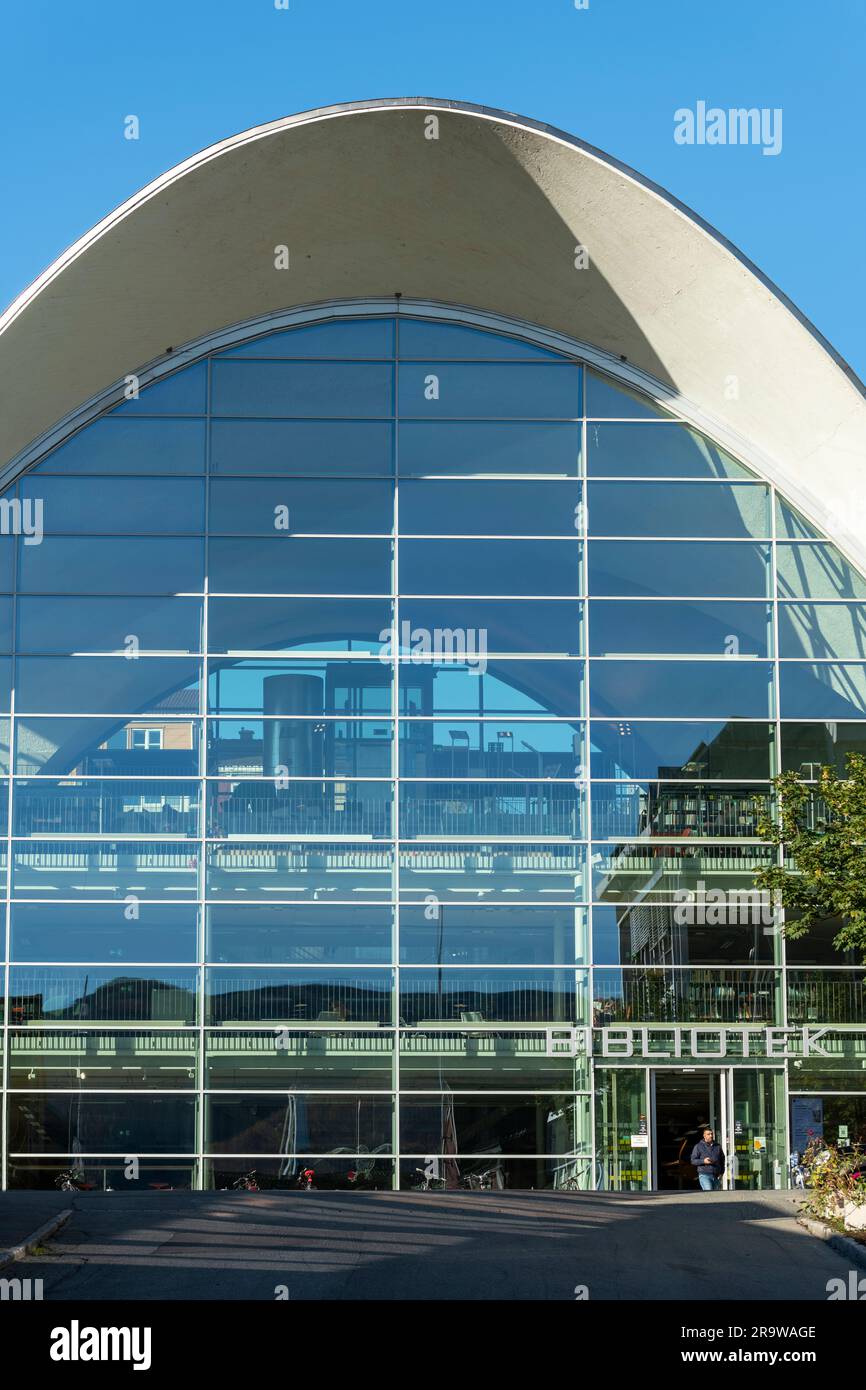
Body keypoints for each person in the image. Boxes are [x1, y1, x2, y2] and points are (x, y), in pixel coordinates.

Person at [690, 1126, 725, 1192]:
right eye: (708, 1134)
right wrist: (703, 1161)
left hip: (716, 1176)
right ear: (704, 1135)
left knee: (717, 1196)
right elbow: (693, 1161)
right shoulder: (698, 1146)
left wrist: (722, 1172)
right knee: (709, 1193)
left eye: (712, 1134)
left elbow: (722, 1159)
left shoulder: (717, 1146)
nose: (711, 1135)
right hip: (704, 1175)